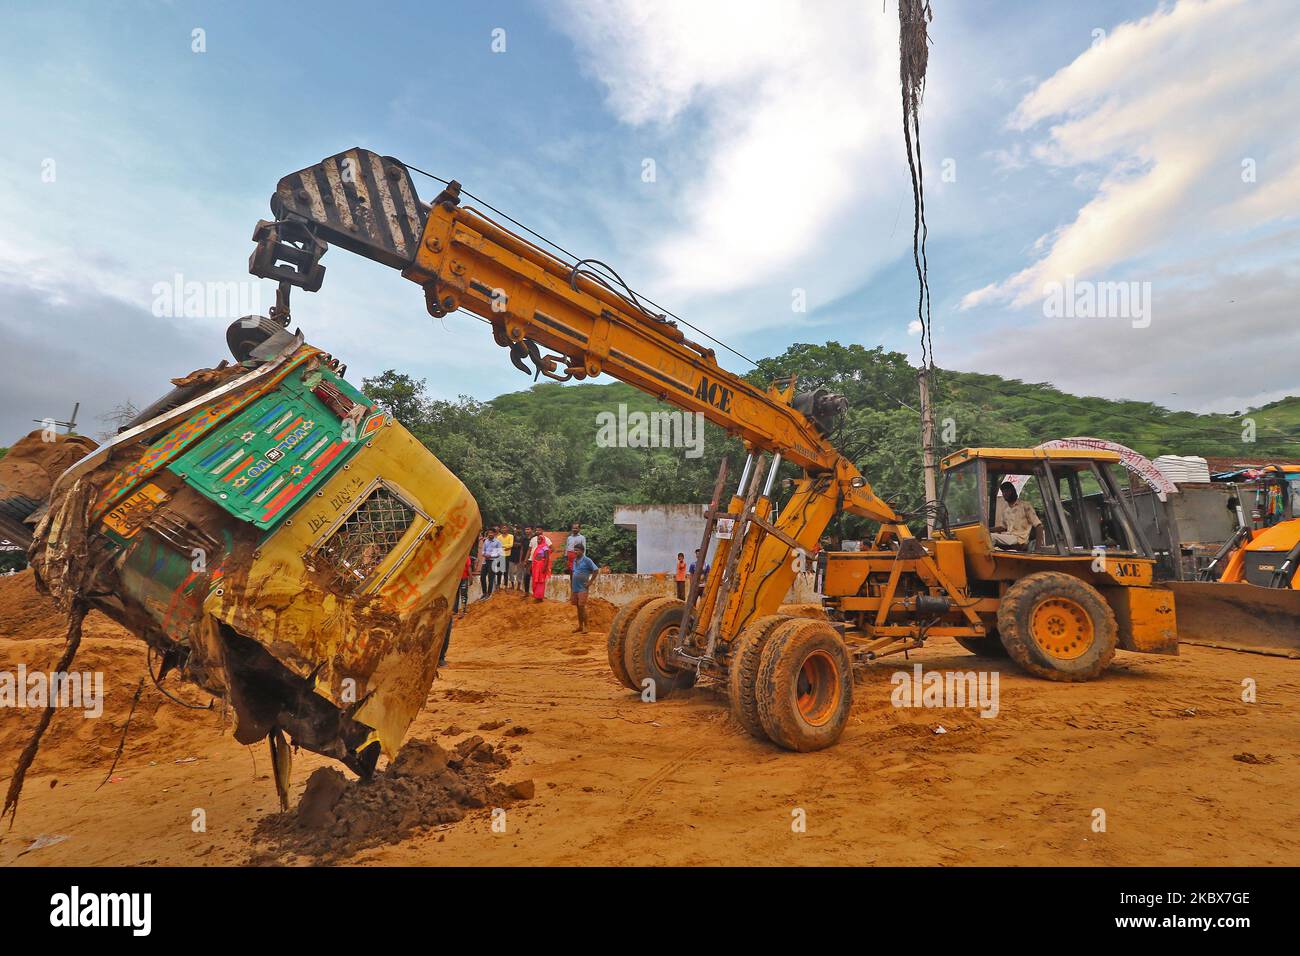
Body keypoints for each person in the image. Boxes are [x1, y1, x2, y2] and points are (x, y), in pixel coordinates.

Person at [991, 481, 1042, 549]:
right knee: (986, 535)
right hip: (1009, 537)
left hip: (1019, 539)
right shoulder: (1006, 510)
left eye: (1007, 491)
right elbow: (1003, 527)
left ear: (1013, 491)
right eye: (1003, 492)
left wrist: (1037, 549)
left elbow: (1039, 526)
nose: (1005, 494)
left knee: (990, 537)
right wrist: (988, 529)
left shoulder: (1025, 506)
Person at [569, 543, 600, 632]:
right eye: (575, 550)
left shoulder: (587, 560)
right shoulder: (574, 560)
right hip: (575, 587)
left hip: (583, 587)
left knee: (581, 606)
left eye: (577, 550)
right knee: (578, 607)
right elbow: (573, 572)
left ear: (582, 551)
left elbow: (596, 570)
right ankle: (580, 626)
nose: (575, 552)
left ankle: (586, 626)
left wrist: (590, 582)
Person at [530, 530, 553, 602]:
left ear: (543, 540)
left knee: (540, 581)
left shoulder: (545, 548)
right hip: (536, 566)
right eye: (537, 539)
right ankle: (536, 596)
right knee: (535, 580)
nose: (538, 541)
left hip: (541, 566)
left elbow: (547, 558)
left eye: (539, 539)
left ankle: (539, 597)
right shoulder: (538, 547)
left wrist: (544, 567)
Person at [479, 528, 502, 598]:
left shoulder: (498, 542)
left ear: (495, 534)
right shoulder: (486, 541)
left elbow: (499, 553)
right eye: (489, 533)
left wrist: (491, 555)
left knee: (490, 578)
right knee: (482, 577)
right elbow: (483, 551)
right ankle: (484, 593)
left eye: (491, 533)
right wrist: (485, 554)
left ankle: (489, 593)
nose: (490, 534)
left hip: (493, 561)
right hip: (485, 561)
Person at [453, 550, 472, 616]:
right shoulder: (458, 557)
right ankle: (458, 610)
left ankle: (460, 610)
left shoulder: (464, 557)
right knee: (461, 595)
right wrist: (471, 578)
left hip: (461, 579)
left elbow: (469, 568)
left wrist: (470, 578)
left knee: (459, 595)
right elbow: (469, 568)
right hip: (459, 579)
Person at [507, 525, 526, 589]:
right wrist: (517, 544)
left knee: (520, 572)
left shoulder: (524, 538)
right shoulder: (512, 537)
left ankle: (518, 586)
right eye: (516, 529)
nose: (517, 530)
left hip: (520, 556)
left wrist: (515, 544)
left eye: (519, 529)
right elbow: (509, 544)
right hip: (511, 556)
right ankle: (512, 585)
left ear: (521, 530)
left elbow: (523, 547)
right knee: (510, 571)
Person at [495, 524, 512, 590]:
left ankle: (505, 585)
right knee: (499, 571)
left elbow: (510, 545)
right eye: (503, 528)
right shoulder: (499, 537)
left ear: (507, 529)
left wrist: (502, 546)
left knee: (505, 571)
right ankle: (498, 585)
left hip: (507, 555)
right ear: (501, 529)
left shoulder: (511, 536)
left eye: (505, 528)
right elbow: (497, 545)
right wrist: (505, 546)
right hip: (500, 555)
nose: (504, 529)